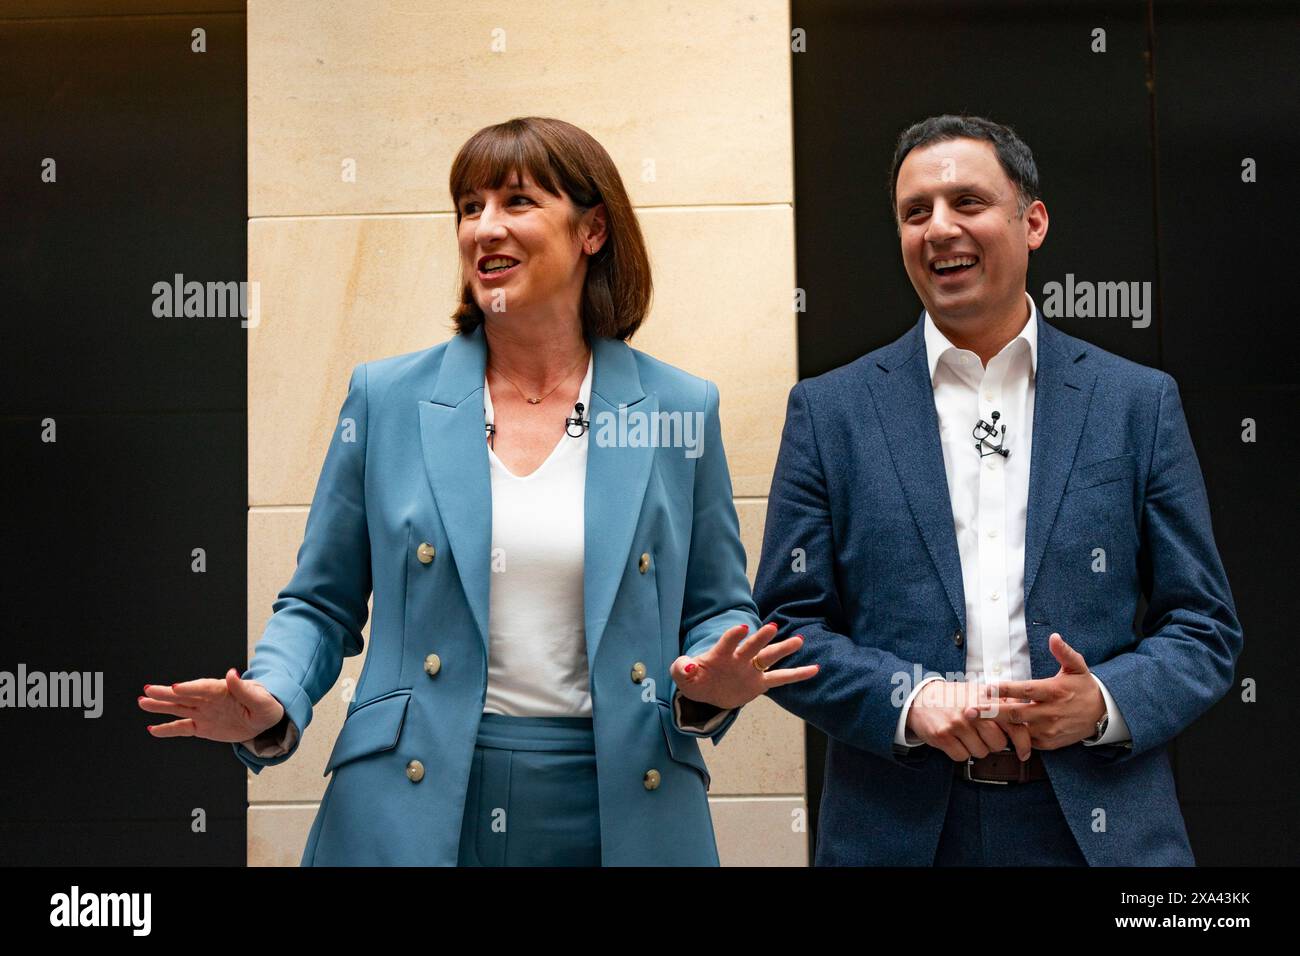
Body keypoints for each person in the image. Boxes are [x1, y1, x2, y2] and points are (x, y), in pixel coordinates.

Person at [139, 116, 817, 866]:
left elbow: (717, 605)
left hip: (620, 796)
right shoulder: (387, 398)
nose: (484, 229)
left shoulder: (678, 408)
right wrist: (273, 693)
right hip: (411, 795)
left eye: (517, 202)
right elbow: (321, 601)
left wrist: (708, 680)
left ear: (592, 229)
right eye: (469, 207)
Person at [753, 114, 1242, 866]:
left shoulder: (1135, 402)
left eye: (968, 203)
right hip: (898, 831)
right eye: (916, 213)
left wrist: (1102, 703)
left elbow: (1205, 627)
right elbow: (788, 626)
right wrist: (908, 701)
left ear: (1033, 221)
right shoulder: (831, 412)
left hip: (1097, 829)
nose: (939, 228)